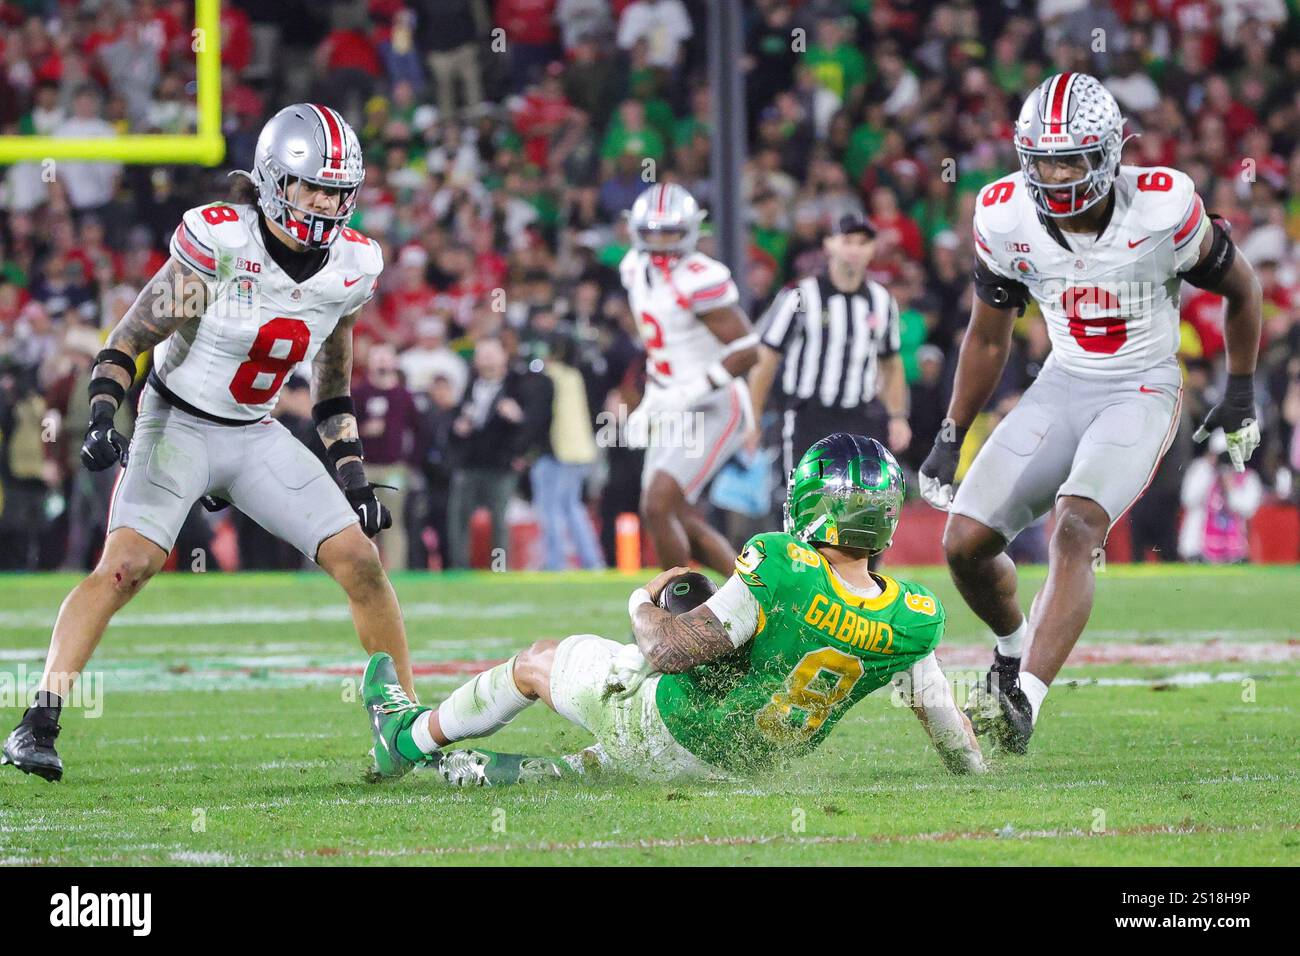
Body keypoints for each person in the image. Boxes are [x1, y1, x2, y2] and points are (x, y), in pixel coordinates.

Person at [2, 104, 416, 782]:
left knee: (361, 562)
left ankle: (404, 726)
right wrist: (105, 414)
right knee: (126, 566)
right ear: (275, 180)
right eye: (313, 186)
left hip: (255, 433)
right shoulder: (222, 241)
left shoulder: (352, 266)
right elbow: (129, 339)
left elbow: (332, 390)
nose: (325, 204)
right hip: (178, 421)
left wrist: (355, 480)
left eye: (337, 191)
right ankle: (37, 721)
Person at [917, 74, 1263, 754]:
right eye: (1044, 158)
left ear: (1107, 153)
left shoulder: (1162, 208)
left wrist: (1242, 388)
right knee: (962, 543)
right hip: (1063, 382)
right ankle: (1012, 650)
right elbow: (989, 336)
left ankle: (1023, 703)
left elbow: (1243, 288)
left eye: (1072, 156)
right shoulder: (1004, 216)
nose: (1056, 173)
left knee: (1076, 525)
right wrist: (951, 433)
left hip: (1142, 387)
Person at [359, 434, 984, 785]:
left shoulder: (783, 563)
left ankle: (405, 739)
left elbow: (667, 650)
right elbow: (945, 724)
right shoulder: (915, 615)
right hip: (747, 768)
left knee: (538, 661)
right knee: (697, 682)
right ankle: (541, 775)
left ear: (814, 501)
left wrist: (643, 597)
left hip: (671, 731)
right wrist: (975, 776)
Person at [620, 182, 759, 575]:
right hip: (669, 402)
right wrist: (653, 398)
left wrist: (691, 389)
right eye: (653, 232)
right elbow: (660, 346)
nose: (662, 242)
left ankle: (680, 607)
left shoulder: (701, 277)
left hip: (715, 402)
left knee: (658, 503)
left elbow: (749, 349)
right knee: (671, 514)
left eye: (671, 232)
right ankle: (755, 599)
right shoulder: (633, 268)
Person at [749, 213, 911, 482]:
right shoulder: (800, 296)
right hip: (807, 416)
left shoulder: (881, 300)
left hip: (860, 417)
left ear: (872, 248)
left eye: (863, 243)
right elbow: (766, 359)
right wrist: (752, 418)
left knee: (860, 504)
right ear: (829, 244)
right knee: (805, 502)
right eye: (847, 241)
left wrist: (897, 416)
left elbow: (890, 361)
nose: (855, 250)